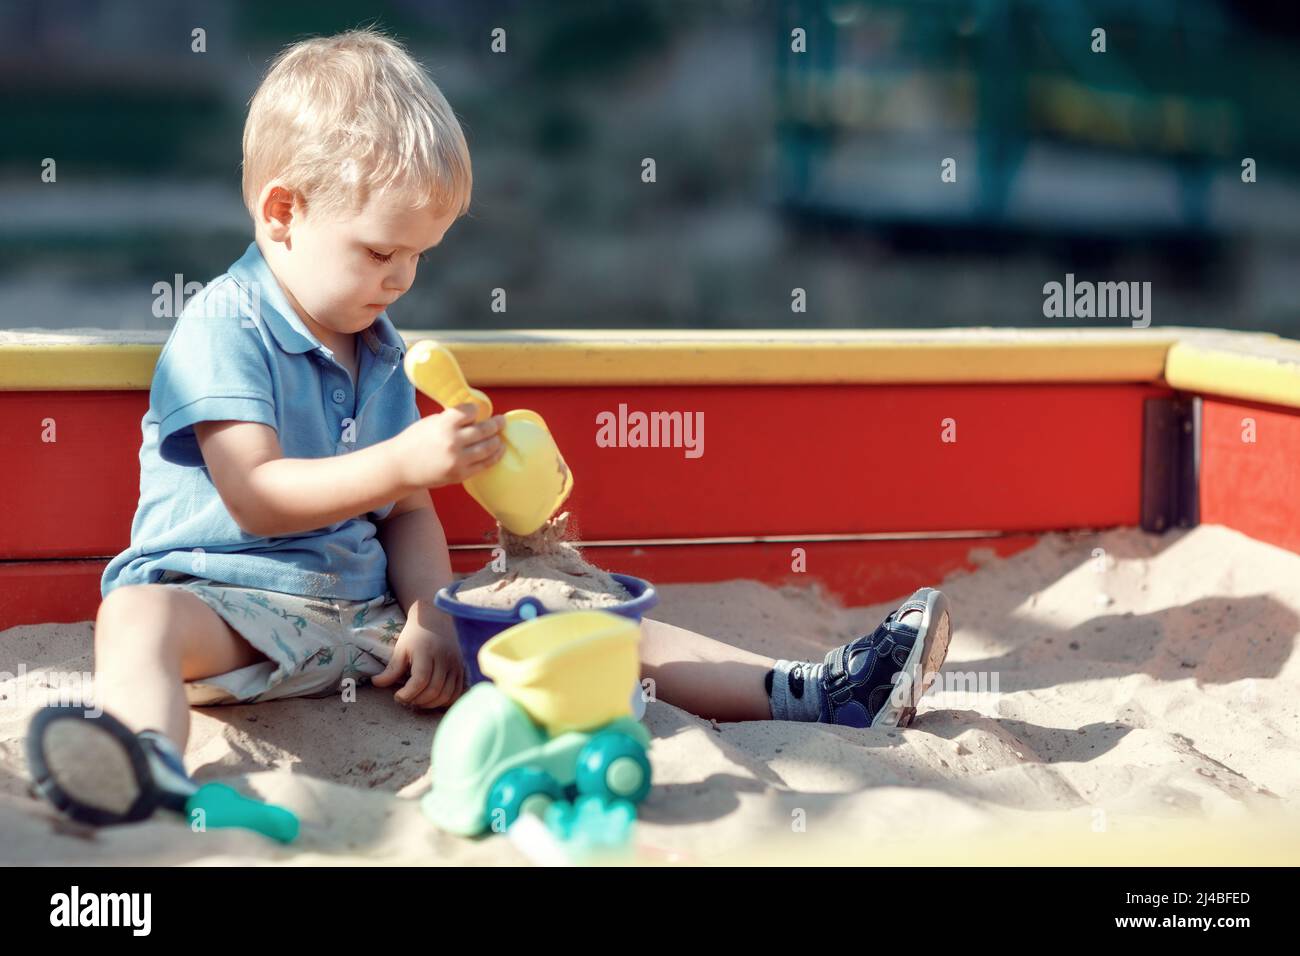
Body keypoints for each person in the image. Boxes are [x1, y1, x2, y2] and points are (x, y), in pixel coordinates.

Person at [27, 29, 952, 826]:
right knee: (133, 614)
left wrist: (431, 611)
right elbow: (256, 496)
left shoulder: (377, 348)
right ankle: (146, 761)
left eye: (419, 258)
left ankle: (815, 691)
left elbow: (407, 518)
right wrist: (400, 461)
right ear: (282, 214)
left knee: (557, 616)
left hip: (367, 623)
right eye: (381, 252)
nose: (400, 281)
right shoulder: (222, 328)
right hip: (229, 610)